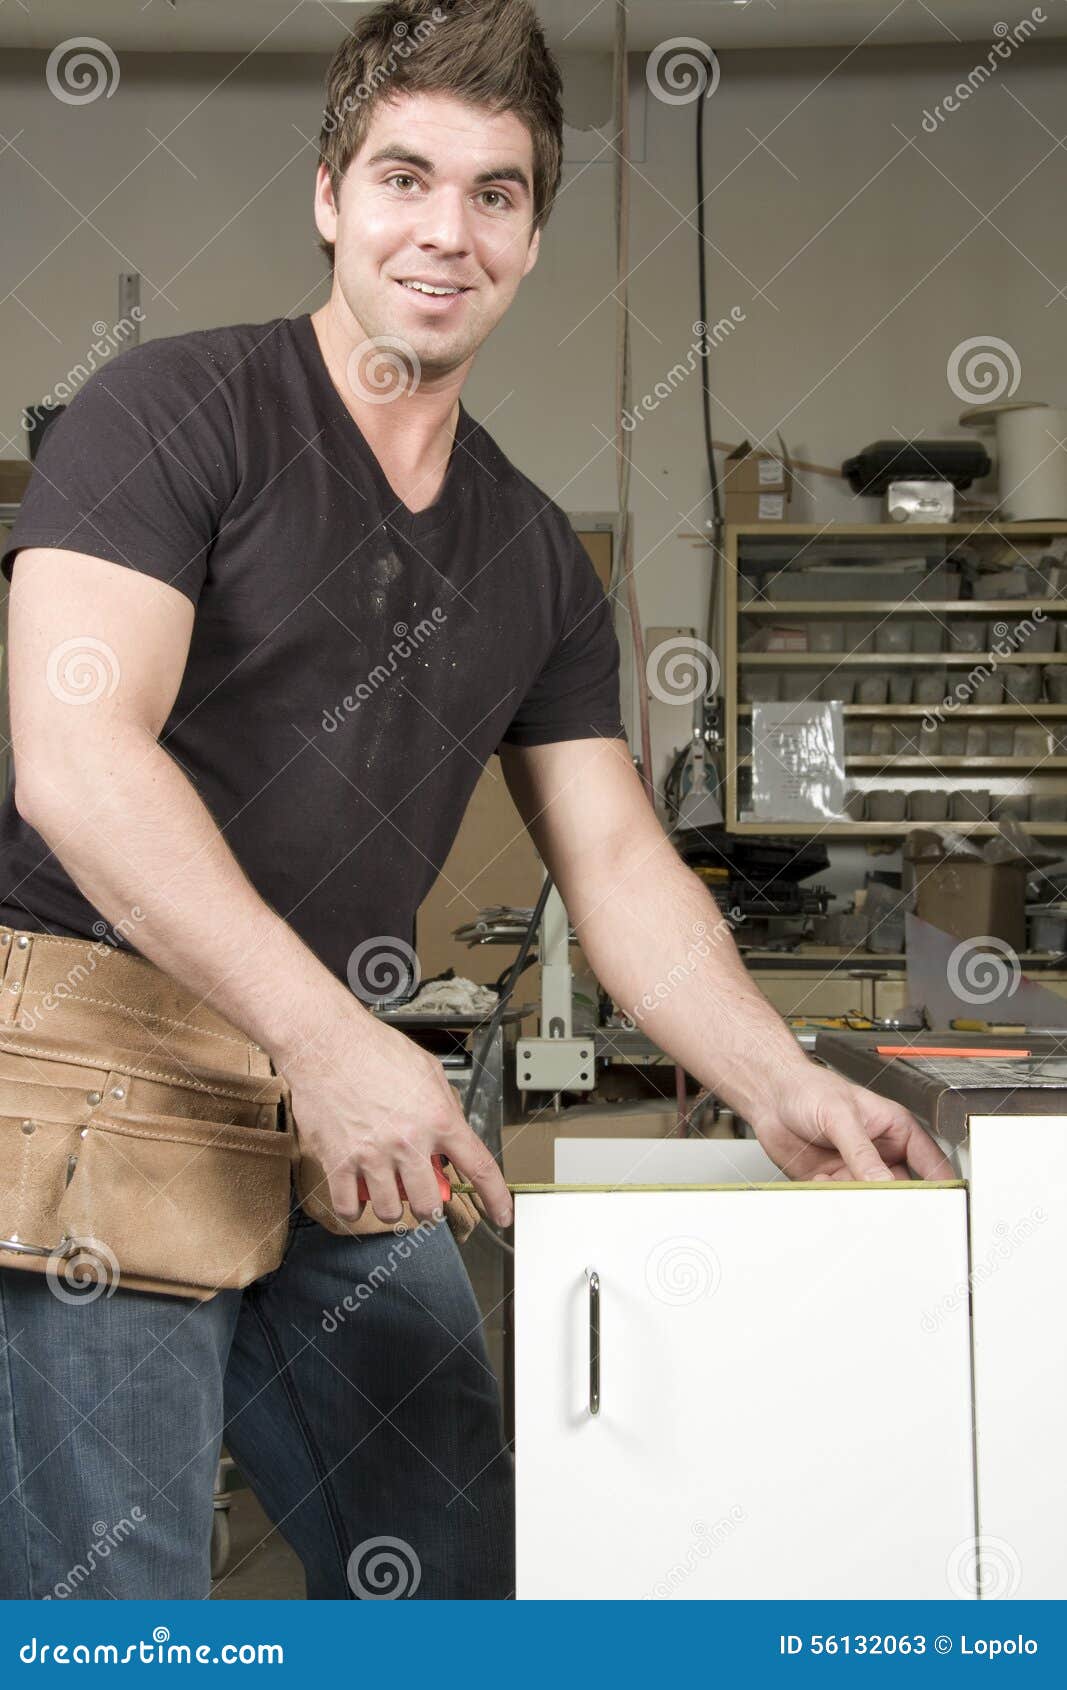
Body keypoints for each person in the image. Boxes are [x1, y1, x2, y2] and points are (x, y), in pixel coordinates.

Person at [0, 0, 952, 1601]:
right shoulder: (171, 415)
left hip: (335, 1096)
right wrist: (327, 1038)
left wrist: (779, 1079)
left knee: (462, 1555)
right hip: (105, 1062)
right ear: (330, 196)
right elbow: (79, 758)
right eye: (404, 177)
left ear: (531, 229)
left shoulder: (526, 553)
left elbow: (621, 865)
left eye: (495, 193)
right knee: (122, 1602)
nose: (446, 230)